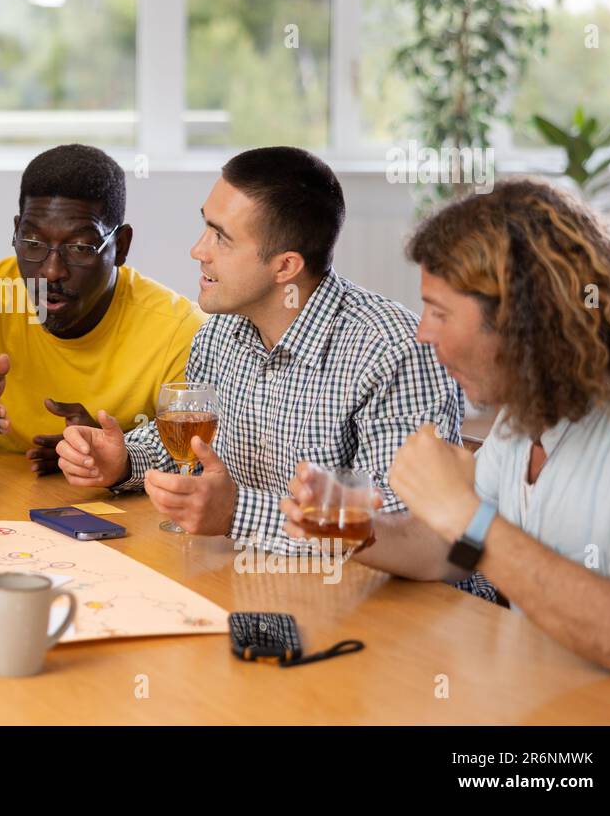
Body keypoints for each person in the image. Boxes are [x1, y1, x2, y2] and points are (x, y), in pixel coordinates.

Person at [56, 147, 471, 580]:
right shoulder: (219, 335)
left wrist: (238, 513)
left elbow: (405, 529)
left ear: (285, 266)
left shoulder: (392, 351)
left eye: (221, 237)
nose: (198, 250)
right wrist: (123, 461)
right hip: (252, 584)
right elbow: (189, 447)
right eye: (205, 226)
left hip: (378, 614)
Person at [283, 179, 610, 678]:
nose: (422, 332)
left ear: (523, 323)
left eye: (440, 312)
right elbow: (449, 553)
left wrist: (464, 513)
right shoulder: (526, 413)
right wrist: (357, 530)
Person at [0, 144, 203, 475]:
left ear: (122, 246)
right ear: (15, 231)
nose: (51, 271)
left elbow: (208, 461)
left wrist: (115, 453)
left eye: (81, 247)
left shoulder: (179, 330)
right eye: (32, 243)